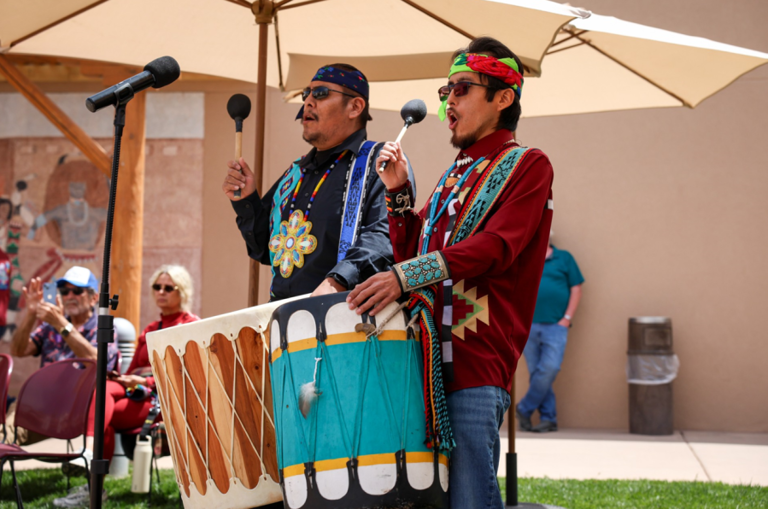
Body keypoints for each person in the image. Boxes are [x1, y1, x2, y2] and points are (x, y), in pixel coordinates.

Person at [347, 37, 554, 509]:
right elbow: (415, 250)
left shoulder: (527, 164)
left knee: (468, 498)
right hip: (420, 362)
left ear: (503, 97)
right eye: (446, 92)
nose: (449, 102)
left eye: (462, 88)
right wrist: (398, 193)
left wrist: (405, 276)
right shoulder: (453, 175)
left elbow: (497, 247)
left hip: (474, 361)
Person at [222, 63, 412, 301]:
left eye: (320, 93)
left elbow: (384, 236)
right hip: (283, 317)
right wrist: (247, 199)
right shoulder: (295, 173)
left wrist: (337, 282)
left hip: (344, 315)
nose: (308, 102)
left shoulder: (381, 163)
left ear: (355, 107)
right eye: (306, 94)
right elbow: (264, 249)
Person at [52, 265, 201, 508]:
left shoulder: (190, 324)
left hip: (168, 400)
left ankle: (92, 481)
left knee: (103, 412)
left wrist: (145, 381)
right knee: (104, 393)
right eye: (157, 287)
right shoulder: (151, 328)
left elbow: (191, 374)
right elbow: (132, 370)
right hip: (139, 394)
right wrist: (123, 378)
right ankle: (92, 478)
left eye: (168, 288)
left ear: (181, 291)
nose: (161, 292)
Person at [7, 266, 118, 445]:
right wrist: (31, 314)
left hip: (76, 410)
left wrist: (62, 324)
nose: (70, 296)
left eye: (77, 291)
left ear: (94, 298)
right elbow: (18, 350)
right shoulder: (50, 325)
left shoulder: (103, 327)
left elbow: (100, 364)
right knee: (7, 433)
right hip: (41, 405)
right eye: (65, 291)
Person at [516, 234, 583, 433]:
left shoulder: (564, 258)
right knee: (537, 372)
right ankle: (548, 418)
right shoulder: (527, 258)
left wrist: (567, 318)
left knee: (549, 368)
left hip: (556, 325)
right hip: (528, 326)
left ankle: (524, 408)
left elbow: (576, 288)